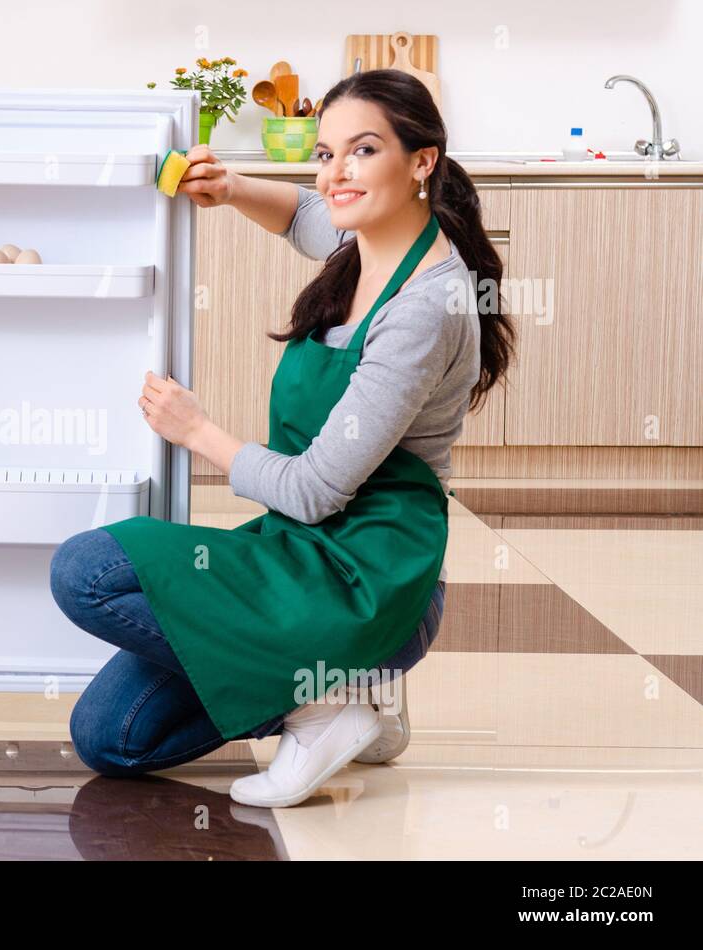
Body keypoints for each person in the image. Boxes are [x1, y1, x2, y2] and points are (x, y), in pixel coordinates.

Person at [49, 69, 514, 808]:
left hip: (369, 577)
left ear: (422, 160)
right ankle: (353, 691)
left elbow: (313, 489)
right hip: (299, 552)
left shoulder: (424, 308)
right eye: (325, 155)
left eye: (362, 151)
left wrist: (195, 430)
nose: (336, 175)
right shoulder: (366, 233)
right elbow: (304, 213)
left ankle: (323, 706)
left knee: (86, 572)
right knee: (112, 738)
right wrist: (230, 187)